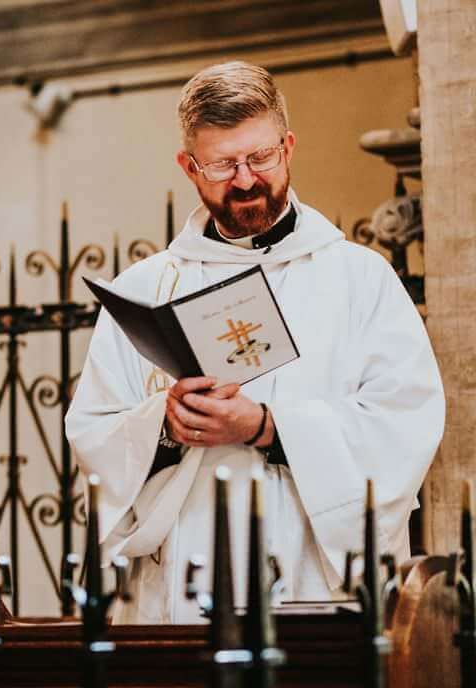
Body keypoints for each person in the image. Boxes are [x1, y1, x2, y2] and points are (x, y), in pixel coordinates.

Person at [64, 61, 444, 624]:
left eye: (260, 157)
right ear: (189, 167)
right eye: (221, 164)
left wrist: (267, 426)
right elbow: (93, 433)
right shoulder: (144, 290)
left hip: (314, 580)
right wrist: (163, 426)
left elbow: (405, 422)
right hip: (182, 585)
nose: (245, 179)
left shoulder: (360, 279)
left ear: (288, 147)